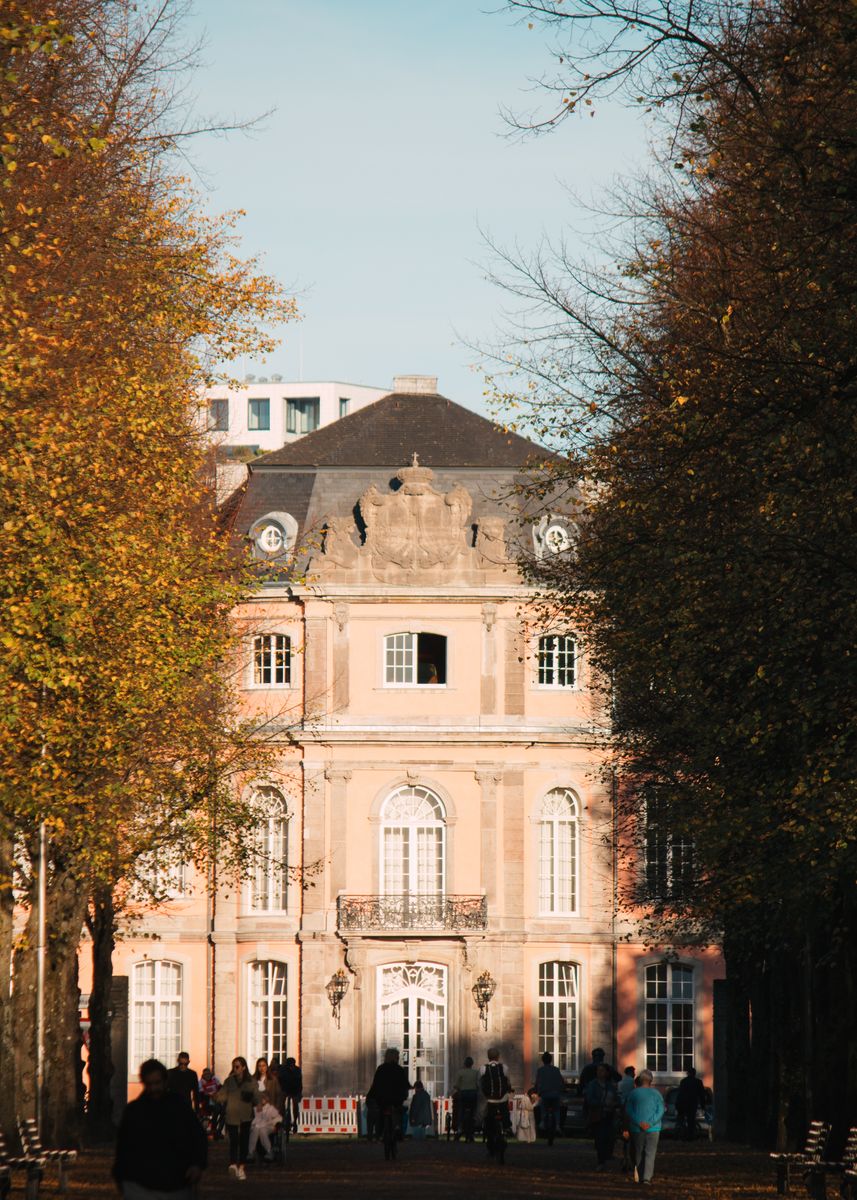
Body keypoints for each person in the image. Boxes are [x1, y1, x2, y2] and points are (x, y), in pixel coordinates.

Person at [113, 1058, 207, 1200]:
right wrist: (121, 1177)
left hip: (175, 1184)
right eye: (149, 1084)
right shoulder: (134, 1111)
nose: (153, 1088)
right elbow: (124, 1147)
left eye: (157, 1083)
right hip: (140, 1186)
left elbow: (198, 1136)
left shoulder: (179, 1106)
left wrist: (197, 1164)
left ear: (164, 1081)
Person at [216, 1056, 257, 1181]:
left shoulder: (251, 1082)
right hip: (232, 1115)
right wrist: (216, 1097)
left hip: (245, 1115)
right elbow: (222, 1095)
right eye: (233, 1066)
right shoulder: (229, 1081)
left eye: (237, 1066)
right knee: (233, 1141)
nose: (235, 1069)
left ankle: (242, 1166)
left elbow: (256, 1097)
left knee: (244, 1141)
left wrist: (257, 1100)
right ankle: (233, 1164)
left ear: (243, 1067)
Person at [366, 1048, 410, 1160]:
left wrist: (371, 1096)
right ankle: (398, 1130)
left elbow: (375, 1085)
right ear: (395, 1057)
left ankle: (379, 1133)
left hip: (383, 1099)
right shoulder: (399, 1069)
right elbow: (405, 1084)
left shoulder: (381, 1069)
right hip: (396, 1099)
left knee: (381, 1112)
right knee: (398, 1113)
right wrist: (408, 1089)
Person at [624, 1070, 665, 1186]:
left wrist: (639, 1122)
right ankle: (647, 1178)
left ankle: (641, 1175)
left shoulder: (633, 1094)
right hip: (654, 1128)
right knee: (650, 1153)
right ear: (651, 1081)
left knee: (638, 1152)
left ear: (640, 1080)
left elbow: (629, 1110)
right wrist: (651, 1123)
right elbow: (661, 1110)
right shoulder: (656, 1094)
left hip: (637, 1128)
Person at [584, 1062, 620, 1170]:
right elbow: (590, 1100)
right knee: (600, 1138)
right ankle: (601, 1161)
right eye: (598, 1070)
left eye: (602, 1070)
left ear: (607, 1073)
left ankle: (605, 1157)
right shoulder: (592, 1085)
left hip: (609, 1114)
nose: (600, 1073)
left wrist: (615, 1104)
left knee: (609, 1138)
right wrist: (602, 1103)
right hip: (598, 1115)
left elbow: (616, 1098)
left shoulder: (610, 1086)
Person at [480, 1048, 512, 1159]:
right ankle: (507, 1127)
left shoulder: (483, 1068)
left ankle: (490, 1144)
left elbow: (481, 1083)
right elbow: (507, 1081)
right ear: (498, 1057)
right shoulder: (504, 1067)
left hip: (490, 1099)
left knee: (488, 1122)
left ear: (488, 1057)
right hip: (502, 1098)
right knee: (505, 1111)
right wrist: (509, 1088)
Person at [534, 1050, 564, 1146]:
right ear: (551, 1060)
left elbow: (537, 1083)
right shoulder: (556, 1070)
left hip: (545, 1094)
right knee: (557, 1109)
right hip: (555, 1094)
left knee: (543, 1106)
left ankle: (542, 1121)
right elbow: (561, 1082)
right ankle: (558, 1125)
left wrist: (537, 1090)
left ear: (543, 1061)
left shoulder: (540, 1070)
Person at [452, 1056, 479, 1142]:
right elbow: (478, 1084)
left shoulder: (460, 1072)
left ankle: (460, 1128)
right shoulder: (476, 1072)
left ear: (464, 1064)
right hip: (473, 1094)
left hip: (463, 1094)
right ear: (472, 1064)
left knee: (460, 1110)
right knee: (473, 1111)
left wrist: (459, 1087)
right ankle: (472, 1129)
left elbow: (456, 1085)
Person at [248, 1096, 282, 1162]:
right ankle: (251, 1152)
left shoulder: (270, 1109)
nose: (262, 1100)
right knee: (255, 1130)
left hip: (268, 1126)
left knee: (262, 1130)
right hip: (257, 1126)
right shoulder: (255, 1109)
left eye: (263, 1098)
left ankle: (269, 1152)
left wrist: (275, 1124)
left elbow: (279, 1118)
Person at [676, 1067, 706, 1141]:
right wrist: (703, 1105)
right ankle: (690, 1136)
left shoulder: (683, 1081)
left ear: (688, 1073)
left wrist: (678, 1104)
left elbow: (680, 1094)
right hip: (692, 1104)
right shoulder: (698, 1082)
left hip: (683, 1104)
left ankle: (681, 1134)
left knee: (681, 1120)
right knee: (691, 1120)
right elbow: (702, 1095)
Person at [277, 1056, 303, 1134]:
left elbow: (299, 1082)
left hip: (294, 1089)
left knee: (295, 1104)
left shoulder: (297, 1070)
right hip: (285, 1089)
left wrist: (299, 1093)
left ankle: (295, 1121)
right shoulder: (283, 1070)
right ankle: (282, 1119)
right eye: (290, 1065)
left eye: (292, 1065)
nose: (291, 1067)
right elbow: (279, 1080)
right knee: (281, 1103)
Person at [198, 1067, 223, 1139]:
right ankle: (214, 1128)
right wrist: (210, 1095)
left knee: (225, 1113)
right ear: (203, 1074)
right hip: (207, 1103)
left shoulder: (215, 1079)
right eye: (205, 1074)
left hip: (218, 1100)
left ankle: (218, 1130)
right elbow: (201, 1094)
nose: (207, 1075)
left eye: (209, 1073)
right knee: (217, 1109)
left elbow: (221, 1088)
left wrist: (217, 1094)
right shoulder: (200, 1082)